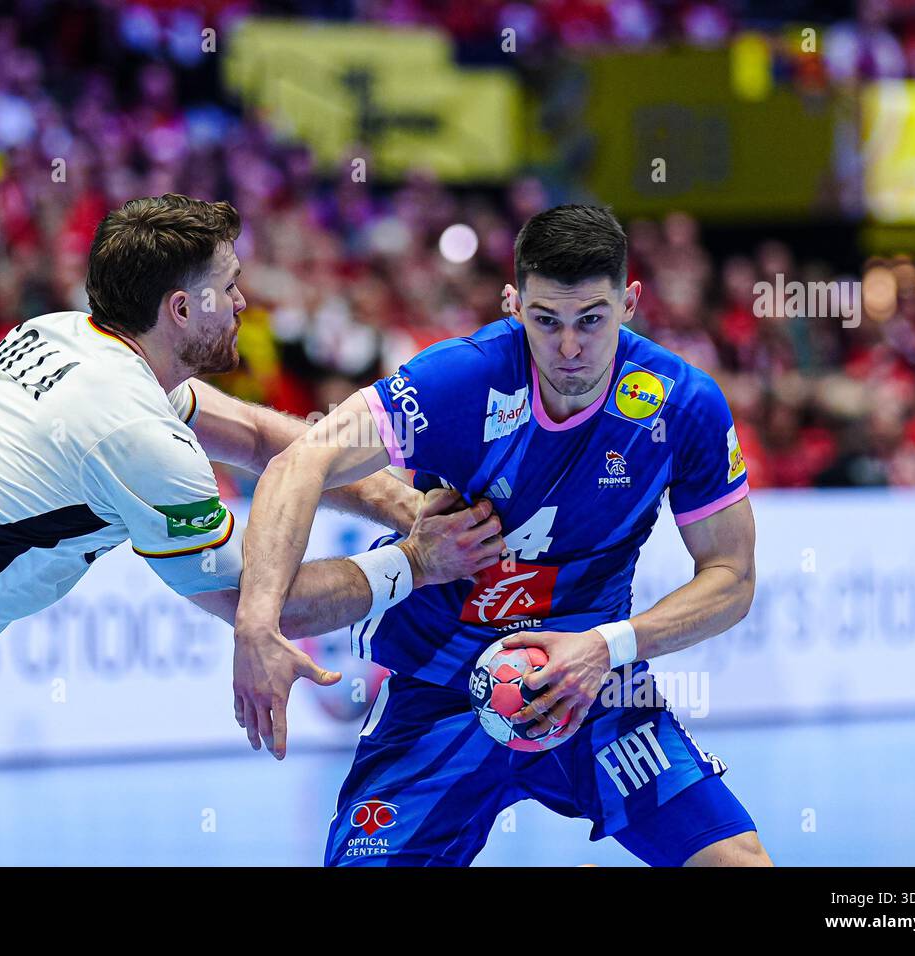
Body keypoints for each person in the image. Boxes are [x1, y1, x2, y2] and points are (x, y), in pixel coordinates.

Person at [0, 193, 503, 866]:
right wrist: (418, 562)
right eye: (229, 287)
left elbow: (267, 442)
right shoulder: (130, 428)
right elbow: (264, 602)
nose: (243, 303)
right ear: (180, 308)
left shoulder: (71, 336)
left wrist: (399, 502)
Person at [234, 204, 773, 866]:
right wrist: (256, 625)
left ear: (629, 301)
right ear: (514, 303)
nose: (570, 347)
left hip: (592, 687)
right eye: (546, 320)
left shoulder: (681, 404)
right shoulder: (460, 380)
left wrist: (608, 646)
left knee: (735, 862)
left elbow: (732, 577)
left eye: (592, 320)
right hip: (437, 691)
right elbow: (301, 459)